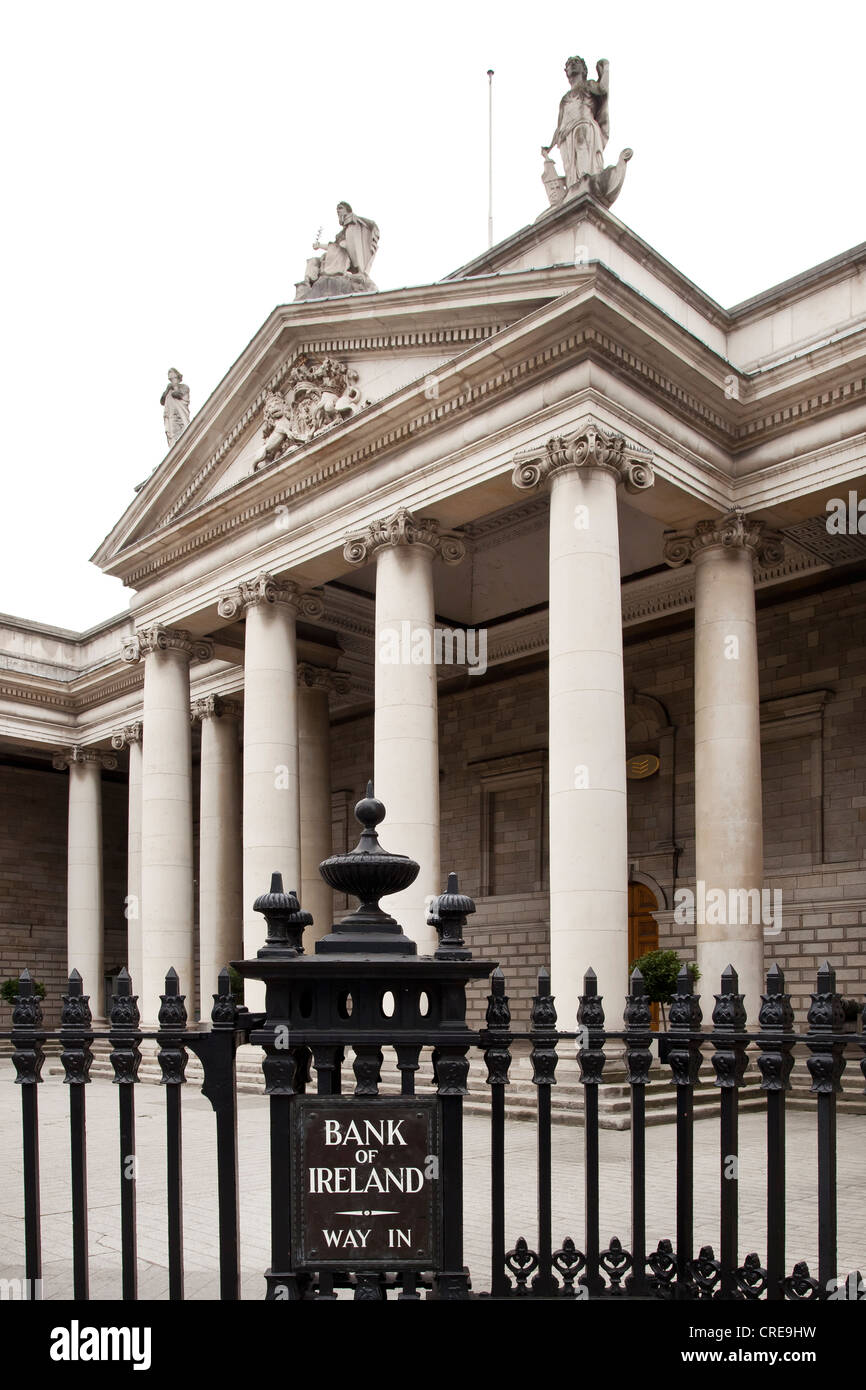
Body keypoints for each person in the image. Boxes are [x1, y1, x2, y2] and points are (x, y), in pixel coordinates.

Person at [549, 56, 610, 191]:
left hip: (584, 125)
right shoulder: (565, 98)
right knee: (570, 167)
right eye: (569, 63)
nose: (572, 65)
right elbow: (560, 125)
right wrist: (550, 146)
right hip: (566, 134)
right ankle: (574, 188)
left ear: (584, 69)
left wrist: (606, 69)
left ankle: (586, 180)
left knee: (583, 150)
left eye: (576, 62)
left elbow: (603, 89)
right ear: (566, 71)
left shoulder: (588, 85)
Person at [161, 368, 190, 447]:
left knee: (182, 431)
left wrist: (174, 386)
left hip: (180, 414)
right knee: (172, 433)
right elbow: (162, 401)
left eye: (173, 376)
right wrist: (167, 389)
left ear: (177, 376)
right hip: (171, 416)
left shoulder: (184, 387)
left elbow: (178, 395)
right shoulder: (169, 389)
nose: (170, 377)